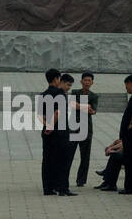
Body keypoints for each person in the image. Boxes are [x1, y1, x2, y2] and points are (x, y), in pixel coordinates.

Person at [39, 68, 76, 196]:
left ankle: (48, 188)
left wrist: (46, 127)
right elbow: (57, 112)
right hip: (59, 133)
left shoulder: (43, 94)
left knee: (48, 160)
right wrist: (50, 127)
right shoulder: (59, 93)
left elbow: (40, 115)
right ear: (56, 79)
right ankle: (62, 188)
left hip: (47, 134)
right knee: (63, 160)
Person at [96, 124, 132, 192]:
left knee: (116, 156)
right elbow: (121, 141)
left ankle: (110, 182)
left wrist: (112, 150)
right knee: (115, 155)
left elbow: (126, 144)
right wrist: (110, 147)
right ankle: (107, 182)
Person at [72, 72, 99, 187]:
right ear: (81, 81)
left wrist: (82, 107)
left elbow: (93, 111)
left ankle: (81, 180)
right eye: (85, 80)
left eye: (89, 80)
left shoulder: (94, 96)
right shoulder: (75, 92)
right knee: (68, 154)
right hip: (73, 127)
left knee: (85, 156)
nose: (87, 82)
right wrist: (85, 106)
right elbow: (71, 104)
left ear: (92, 82)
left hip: (86, 128)